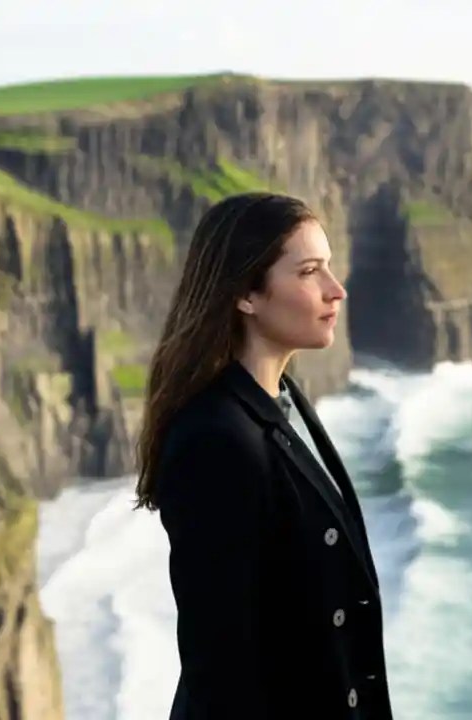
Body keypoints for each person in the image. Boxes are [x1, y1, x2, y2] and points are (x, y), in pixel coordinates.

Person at [133, 192, 392, 719]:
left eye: (330, 268)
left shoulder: (284, 401)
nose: (336, 290)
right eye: (309, 272)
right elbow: (222, 666)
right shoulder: (216, 438)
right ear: (247, 294)